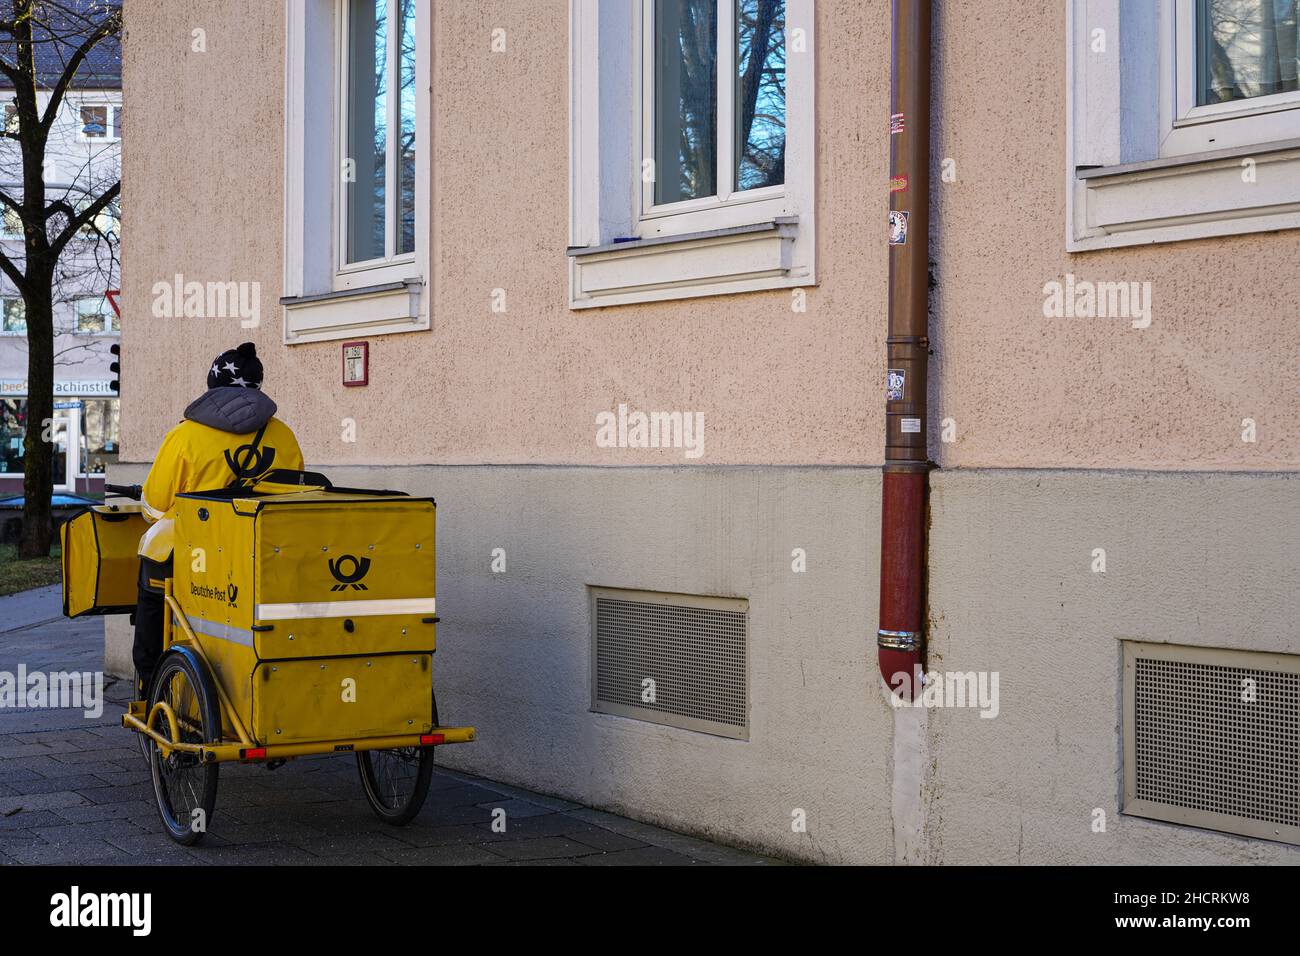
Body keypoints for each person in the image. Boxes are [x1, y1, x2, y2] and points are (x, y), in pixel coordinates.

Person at [132, 342, 303, 696]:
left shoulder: (186, 435)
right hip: (266, 555)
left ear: (212, 385)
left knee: (151, 593)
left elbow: (153, 504)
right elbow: (296, 497)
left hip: (196, 559)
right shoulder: (284, 435)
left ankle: (151, 682)